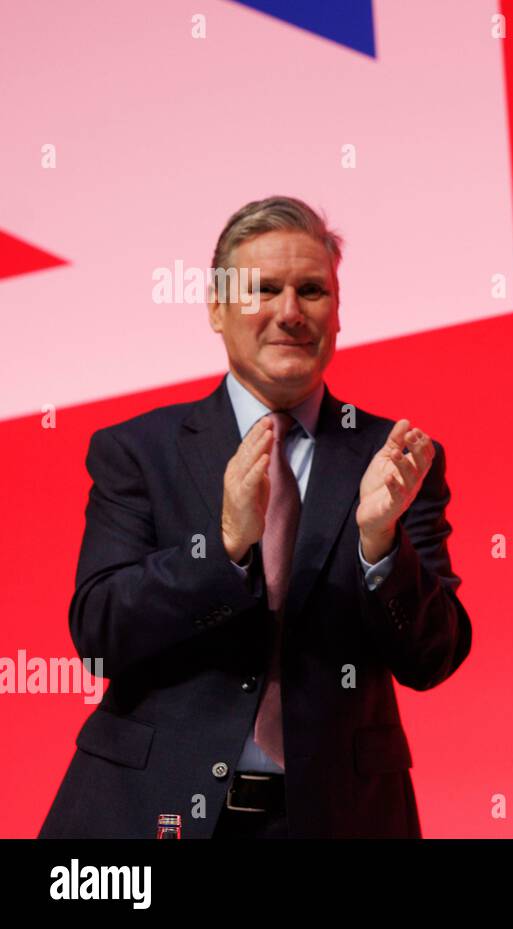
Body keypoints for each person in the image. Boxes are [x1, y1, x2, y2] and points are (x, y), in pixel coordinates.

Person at [39, 196, 471, 838]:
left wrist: (381, 547)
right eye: (263, 289)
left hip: (338, 819)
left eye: (312, 290)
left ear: (338, 309)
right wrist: (225, 548)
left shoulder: (397, 458)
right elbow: (99, 639)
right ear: (216, 308)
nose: (290, 313)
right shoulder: (137, 450)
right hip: (146, 816)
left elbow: (433, 657)